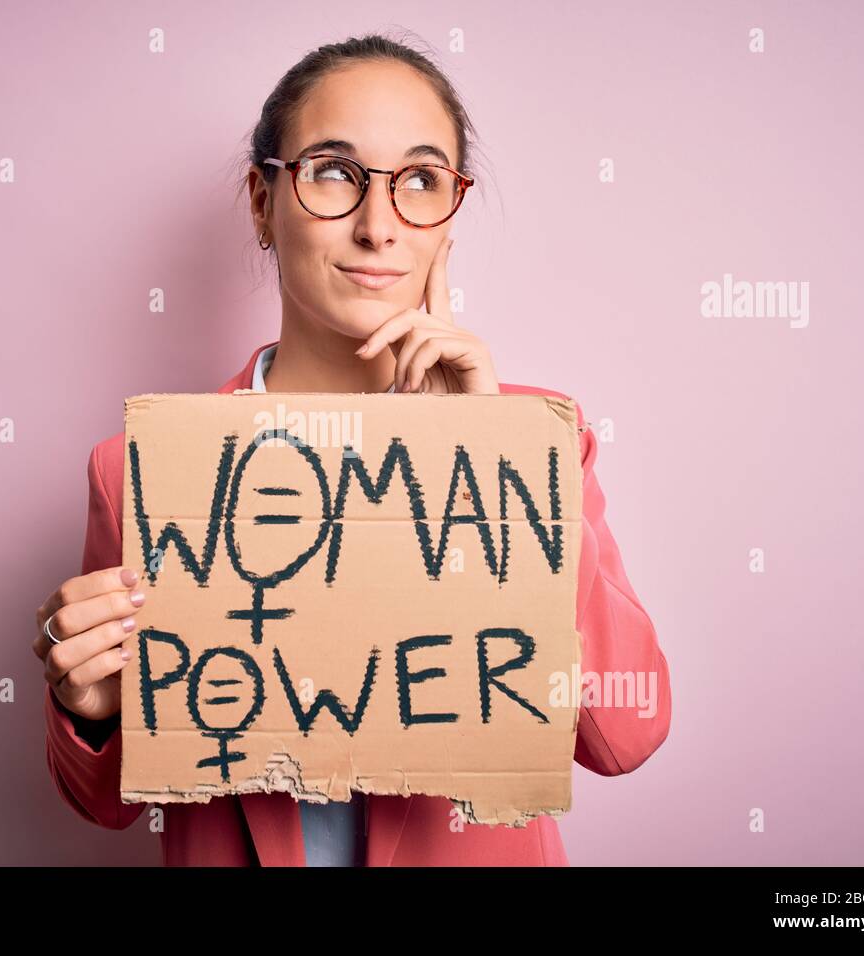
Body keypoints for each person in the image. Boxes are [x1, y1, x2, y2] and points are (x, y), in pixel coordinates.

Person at [33, 32, 671, 866]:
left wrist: (497, 466)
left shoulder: (542, 442)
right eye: (334, 172)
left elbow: (624, 736)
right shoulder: (140, 472)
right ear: (264, 202)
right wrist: (91, 705)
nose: (379, 227)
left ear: (450, 218)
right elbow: (109, 803)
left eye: (420, 182)